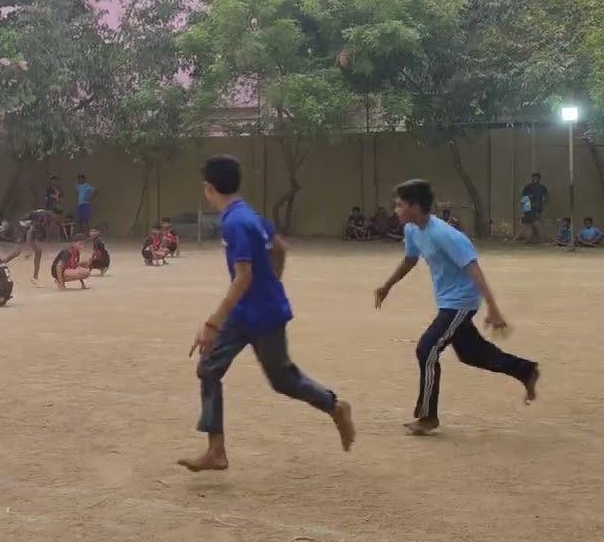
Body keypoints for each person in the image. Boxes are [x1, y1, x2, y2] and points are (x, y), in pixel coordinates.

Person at [179, 155, 354, 472]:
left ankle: (335, 405)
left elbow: (243, 277)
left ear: (208, 188)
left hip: (263, 316)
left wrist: (211, 324)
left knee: (282, 380)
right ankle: (216, 451)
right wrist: (272, 283)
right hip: (245, 312)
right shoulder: (249, 215)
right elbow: (280, 248)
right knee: (209, 367)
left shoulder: (235, 223)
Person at [374, 179, 540, 436]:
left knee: (427, 349)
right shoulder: (412, 230)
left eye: (399, 205)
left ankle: (427, 417)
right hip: (447, 301)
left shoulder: (445, 235)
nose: (395, 210)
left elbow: (473, 268)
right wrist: (387, 285)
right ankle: (526, 371)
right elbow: (410, 260)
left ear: (415, 207)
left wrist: (493, 309)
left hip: (461, 302)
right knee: (472, 353)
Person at [18, 207, 63, 281]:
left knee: (38, 252)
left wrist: (47, 237)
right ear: (55, 214)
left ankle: (35, 277)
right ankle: (3, 264)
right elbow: (30, 232)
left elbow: (45, 227)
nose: (58, 218)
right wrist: (29, 250)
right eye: (58, 217)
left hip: (28, 225)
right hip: (23, 224)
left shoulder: (47, 216)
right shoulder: (43, 216)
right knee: (18, 251)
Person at [520, 173, 549, 243]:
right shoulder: (528, 187)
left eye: (537, 178)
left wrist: (544, 201)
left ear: (539, 179)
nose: (535, 179)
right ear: (532, 179)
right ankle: (530, 238)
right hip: (528, 208)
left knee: (537, 223)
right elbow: (524, 198)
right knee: (528, 224)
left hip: (538, 207)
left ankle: (539, 238)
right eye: (534, 178)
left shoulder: (542, 187)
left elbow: (547, 196)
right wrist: (523, 209)